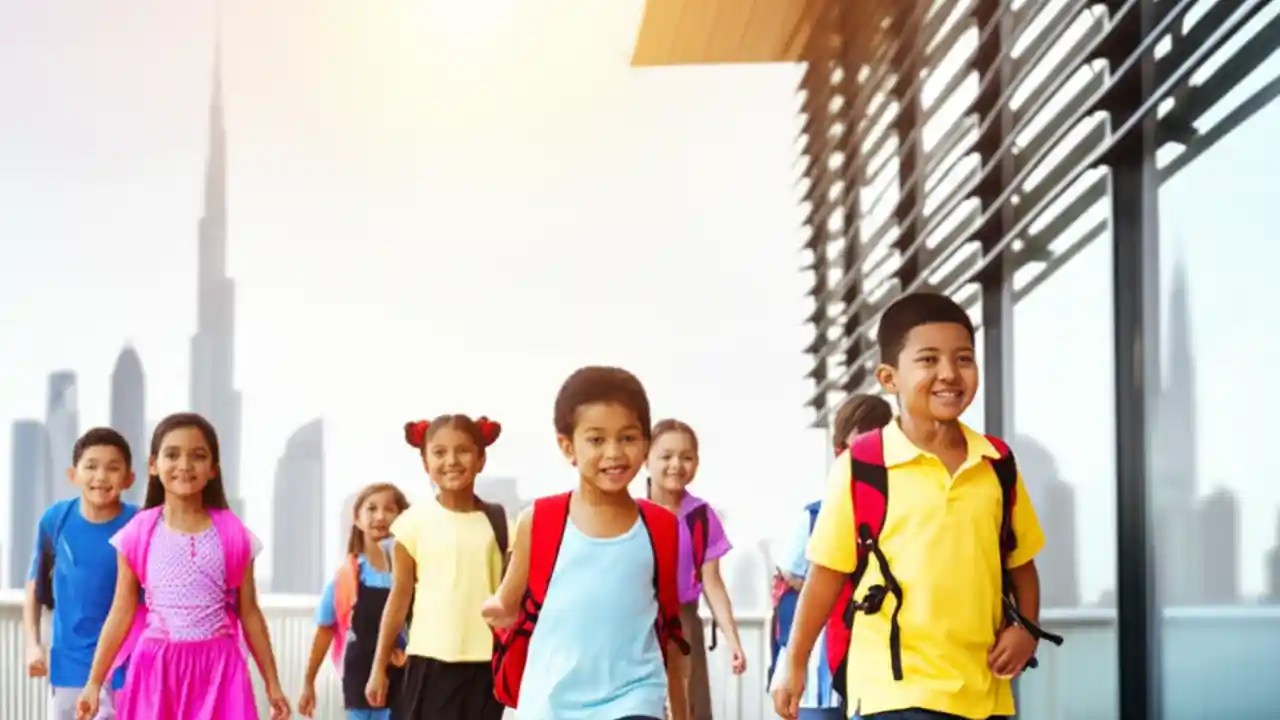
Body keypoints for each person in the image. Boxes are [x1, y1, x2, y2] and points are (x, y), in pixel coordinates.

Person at [773, 292, 1049, 720]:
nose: (949, 374)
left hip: (983, 691)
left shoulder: (996, 463)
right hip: (893, 688)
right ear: (889, 377)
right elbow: (825, 576)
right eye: (928, 360)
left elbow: (1021, 564)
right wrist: (793, 663)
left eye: (963, 359)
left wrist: (1026, 629)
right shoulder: (862, 465)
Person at [483, 365, 691, 720]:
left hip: (635, 697)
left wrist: (682, 713)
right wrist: (493, 609)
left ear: (645, 443)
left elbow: (669, 628)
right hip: (550, 704)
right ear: (568, 446)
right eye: (596, 440)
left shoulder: (661, 527)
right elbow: (508, 601)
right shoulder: (540, 520)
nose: (614, 453)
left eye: (628, 438)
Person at [76, 412, 290, 720]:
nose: (185, 465)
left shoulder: (234, 535)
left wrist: (273, 685)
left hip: (219, 670)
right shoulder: (136, 534)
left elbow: (250, 613)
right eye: (172, 454)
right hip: (156, 671)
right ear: (153, 465)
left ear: (213, 470)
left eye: (198, 456)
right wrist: (94, 683)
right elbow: (120, 611)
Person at [364, 414, 509, 720]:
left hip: (486, 665)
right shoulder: (411, 524)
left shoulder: (499, 523)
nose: (452, 461)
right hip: (430, 662)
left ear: (481, 459)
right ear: (425, 462)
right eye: (440, 452)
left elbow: (510, 596)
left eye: (463, 450)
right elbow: (399, 598)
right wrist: (379, 667)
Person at [768, 394, 893, 720]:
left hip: (876, 664)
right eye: (856, 446)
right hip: (819, 664)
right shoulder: (815, 515)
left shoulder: (899, 513)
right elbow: (789, 574)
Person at [23, 428, 140, 720]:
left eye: (113, 468)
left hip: (126, 667)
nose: (101, 476)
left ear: (129, 478)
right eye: (91, 466)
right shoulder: (55, 520)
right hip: (69, 667)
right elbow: (35, 586)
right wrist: (33, 645)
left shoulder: (140, 523)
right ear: (73, 474)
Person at [645, 418, 747, 719]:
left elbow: (712, 583)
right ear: (645, 460)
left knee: (688, 707)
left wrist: (734, 641)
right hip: (638, 624)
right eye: (666, 456)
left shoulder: (701, 516)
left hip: (685, 626)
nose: (676, 464)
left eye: (686, 457)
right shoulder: (631, 513)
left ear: (697, 463)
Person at [298, 482, 411, 719]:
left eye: (390, 509)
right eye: (371, 509)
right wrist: (308, 682)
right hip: (359, 682)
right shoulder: (346, 577)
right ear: (357, 518)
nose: (380, 516)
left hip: (403, 683)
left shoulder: (412, 577)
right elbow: (325, 631)